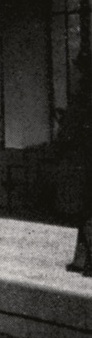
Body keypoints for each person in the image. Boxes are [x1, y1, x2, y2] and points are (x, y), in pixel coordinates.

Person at [64, 45, 91, 276]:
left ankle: (85, 261)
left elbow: (72, 126)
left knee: (86, 211)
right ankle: (82, 260)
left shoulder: (83, 91)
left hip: (84, 157)